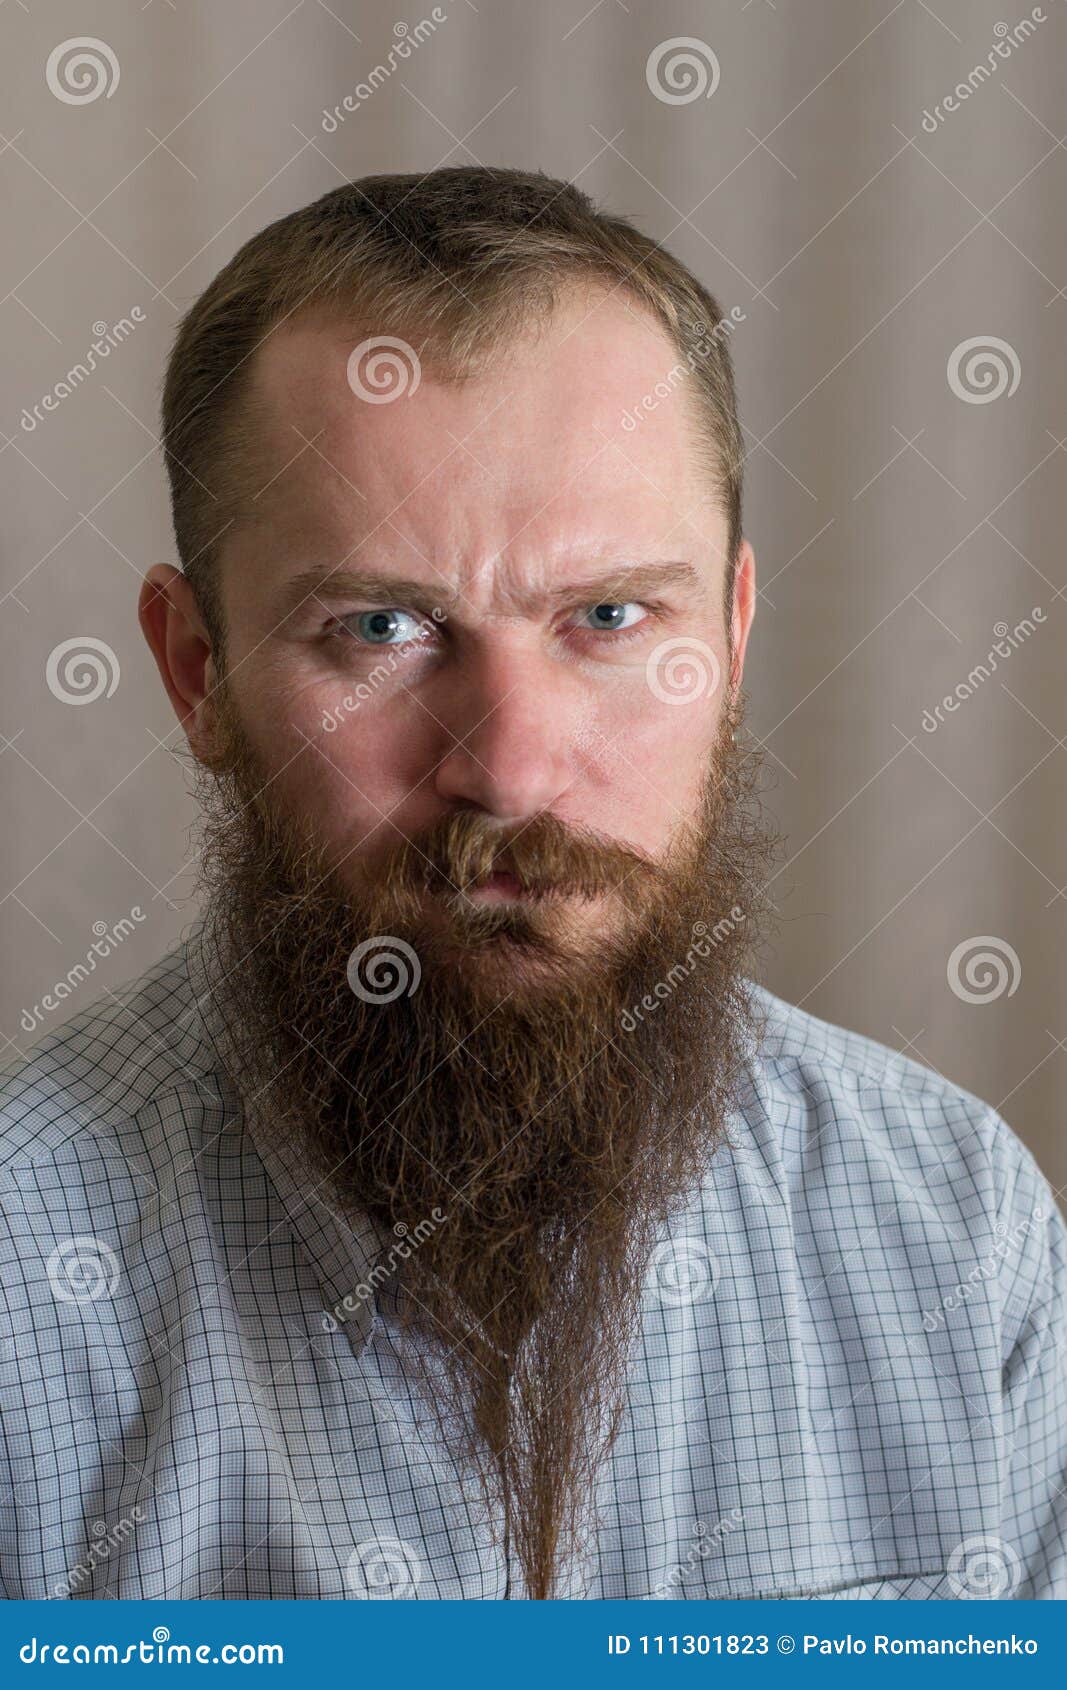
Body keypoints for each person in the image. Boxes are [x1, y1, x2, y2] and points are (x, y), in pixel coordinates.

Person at [1, 167, 1064, 1602]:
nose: (509, 770)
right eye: (380, 626)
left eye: (612, 617)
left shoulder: (958, 1233)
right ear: (198, 669)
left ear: (732, 640)